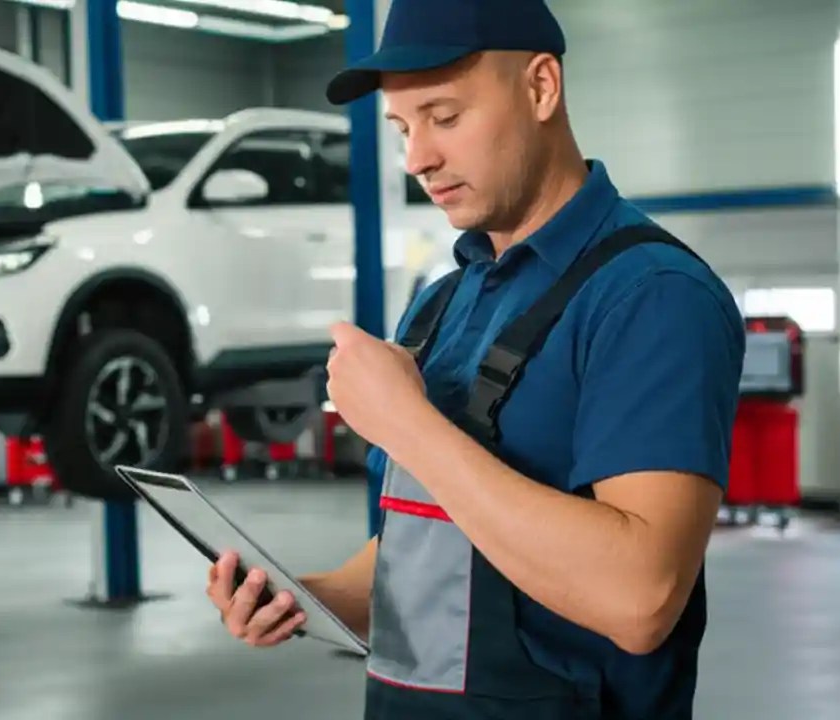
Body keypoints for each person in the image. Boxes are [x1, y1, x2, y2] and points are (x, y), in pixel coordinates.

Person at [205, 0, 745, 717]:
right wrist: (310, 598)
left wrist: (408, 423)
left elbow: (640, 599)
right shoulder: (440, 307)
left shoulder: (650, 297)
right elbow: (425, 544)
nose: (416, 158)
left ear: (542, 87)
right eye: (403, 128)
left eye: (445, 116)